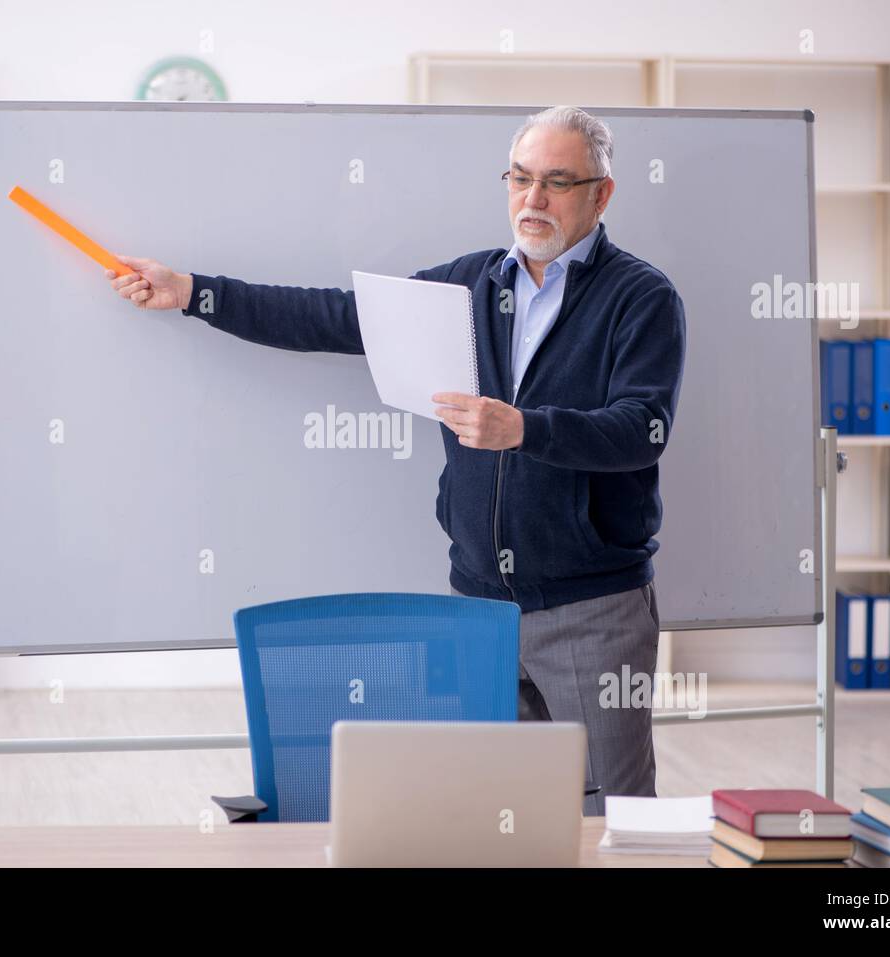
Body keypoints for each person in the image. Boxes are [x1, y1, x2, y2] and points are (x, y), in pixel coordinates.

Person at [107, 105, 685, 815]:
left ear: (602, 193)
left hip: (591, 610)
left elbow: (643, 428)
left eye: (557, 183)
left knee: (614, 815)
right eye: (521, 178)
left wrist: (526, 428)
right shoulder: (468, 285)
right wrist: (196, 293)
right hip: (477, 606)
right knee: (499, 815)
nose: (533, 200)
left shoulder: (641, 296)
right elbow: (334, 317)